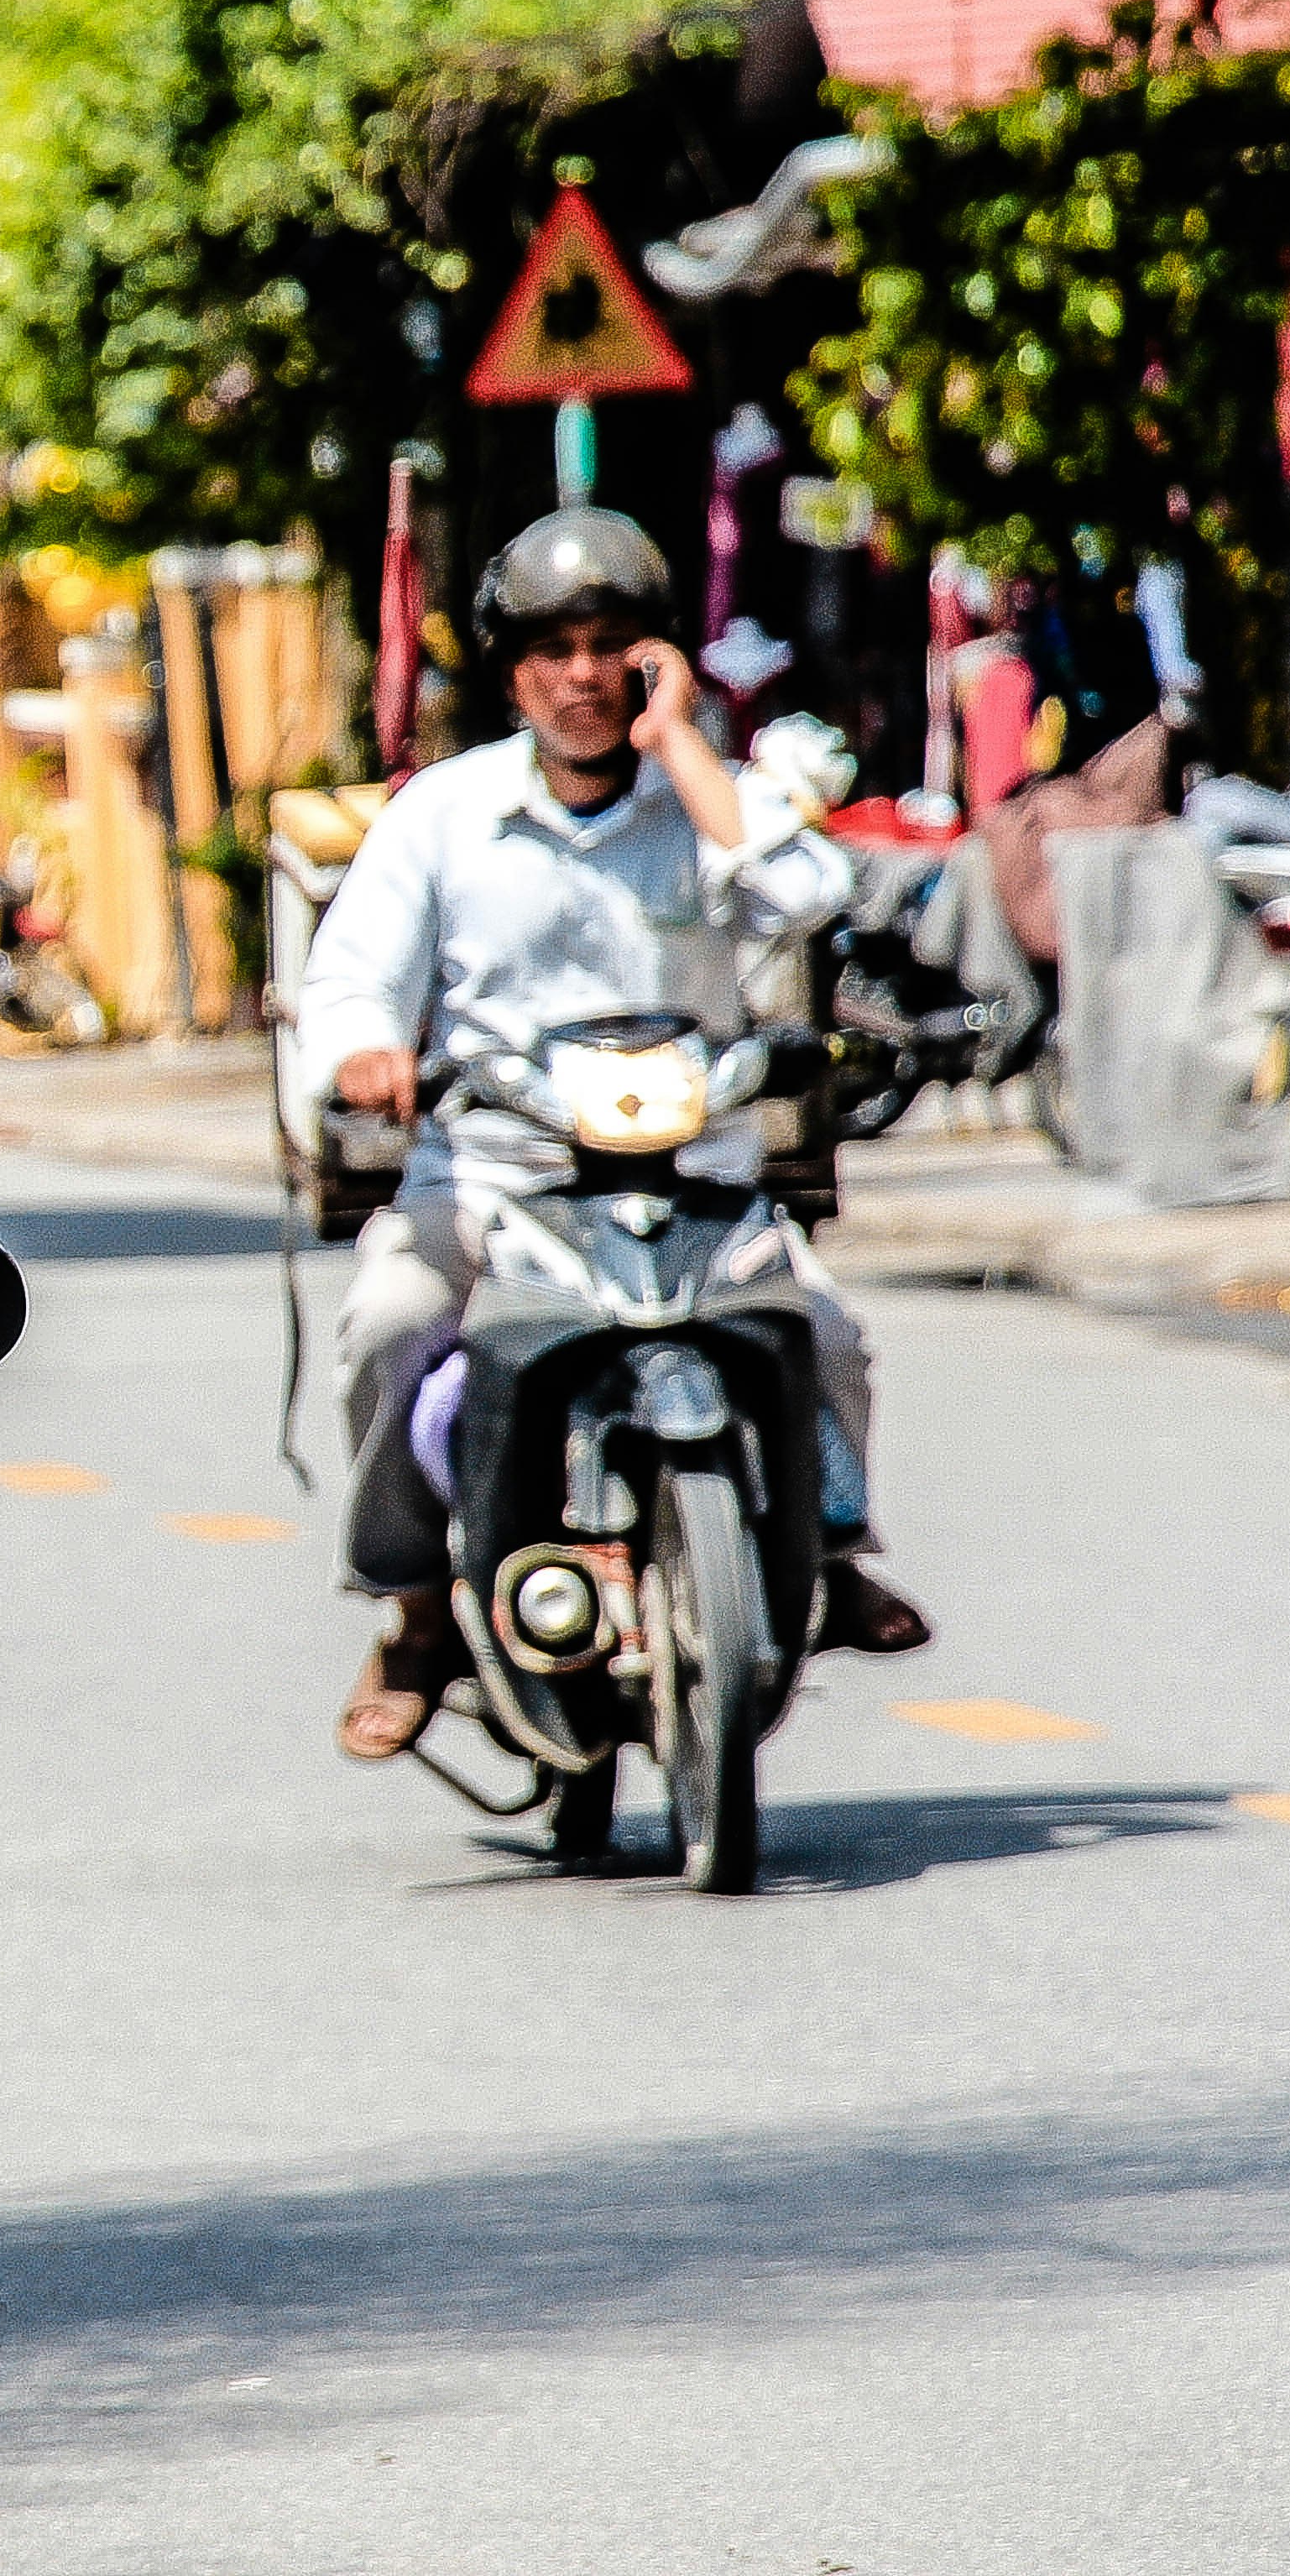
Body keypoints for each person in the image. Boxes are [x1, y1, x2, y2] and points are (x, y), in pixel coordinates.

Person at [296, 508, 931, 1765]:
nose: (582, 675)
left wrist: (683, 750)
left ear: (654, 660)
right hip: (498, 1179)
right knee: (383, 1324)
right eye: (554, 648)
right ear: (512, 668)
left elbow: (807, 897)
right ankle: (417, 1614)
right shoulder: (444, 814)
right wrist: (368, 1052)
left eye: (611, 646)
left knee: (832, 1337)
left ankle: (831, 1554)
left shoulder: (706, 796)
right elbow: (350, 979)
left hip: (697, 1182)